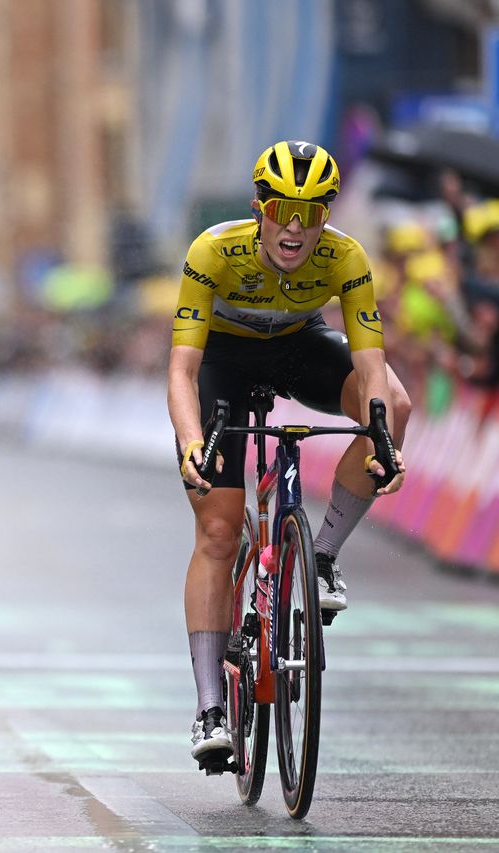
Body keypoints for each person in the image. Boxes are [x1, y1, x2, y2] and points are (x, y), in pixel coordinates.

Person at [167, 140, 409, 766]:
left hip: (299, 346)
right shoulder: (214, 251)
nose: (296, 228)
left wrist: (380, 434)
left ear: (327, 214)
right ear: (260, 209)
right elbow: (181, 367)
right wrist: (192, 441)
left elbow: (370, 360)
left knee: (397, 407)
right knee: (218, 532)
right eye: (282, 209)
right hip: (222, 361)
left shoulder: (346, 256)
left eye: (313, 211)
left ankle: (320, 558)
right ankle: (210, 709)